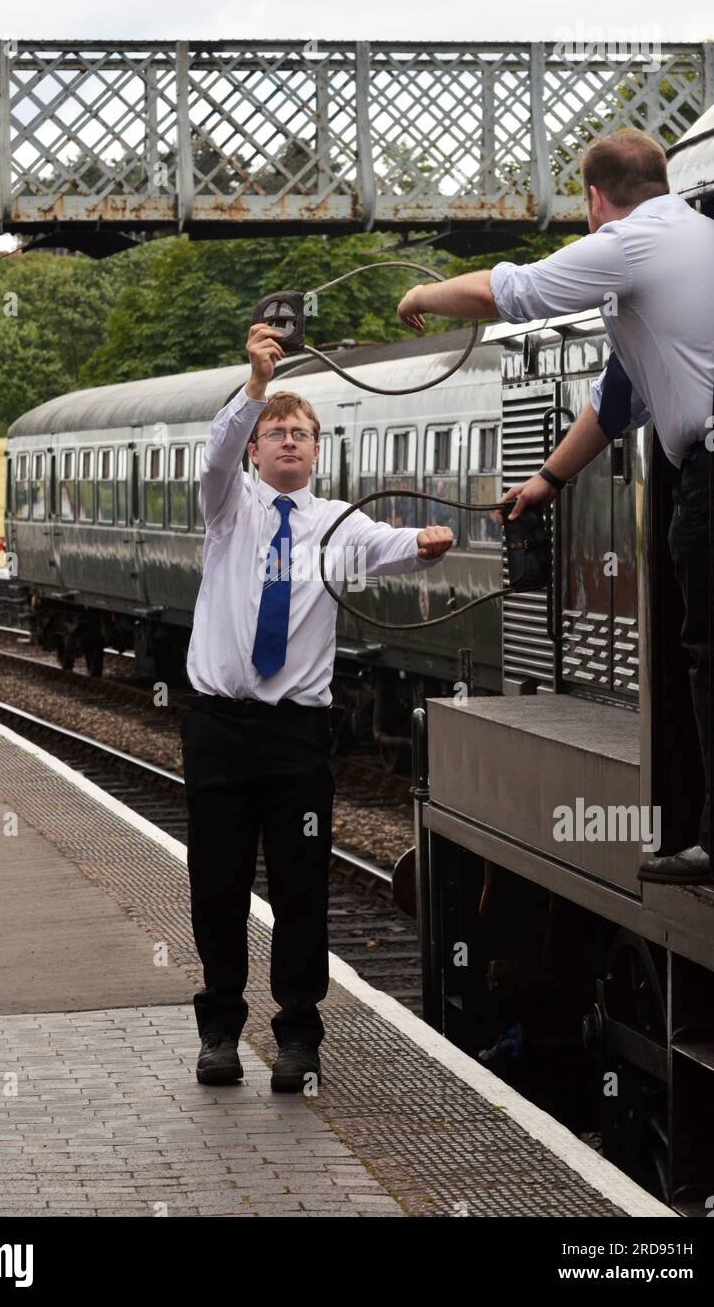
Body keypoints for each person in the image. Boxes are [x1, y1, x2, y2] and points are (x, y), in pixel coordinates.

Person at [396, 127, 714, 888]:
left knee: (708, 653)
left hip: (712, 478)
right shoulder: (707, 241)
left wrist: (421, 296)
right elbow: (619, 396)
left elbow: (507, 292)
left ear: (594, 198)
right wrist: (548, 478)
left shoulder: (631, 243)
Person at [181, 321, 453, 1091]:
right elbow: (213, 455)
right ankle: (219, 1033)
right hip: (218, 728)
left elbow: (392, 547)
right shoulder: (228, 508)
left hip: (296, 736)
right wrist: (255, 385)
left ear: (316, 450)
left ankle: (298, 1038)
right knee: (218, 886)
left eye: (301, 433)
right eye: (275, 433)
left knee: (301, 886)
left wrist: (427, 542)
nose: (289, 443)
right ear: (255, 449)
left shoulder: (337, 523)